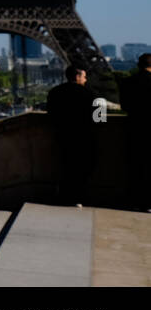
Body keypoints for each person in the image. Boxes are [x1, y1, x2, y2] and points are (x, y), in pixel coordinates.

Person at [46, 65, 97, 207]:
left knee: (66, 167)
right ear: (77, 77)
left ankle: (65, 196)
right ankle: (79, 197)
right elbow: (100, 118)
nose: (86, 80)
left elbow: (51, 114)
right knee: (83, 168)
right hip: (84, 136)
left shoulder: (54, 92)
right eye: (84, 77)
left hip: (63, 135)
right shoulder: (90, 93)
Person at [122, 53, 151, 211]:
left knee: (135, 166)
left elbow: (124, 106)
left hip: (134, 129)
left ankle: (135, 199)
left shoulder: (127, 82)